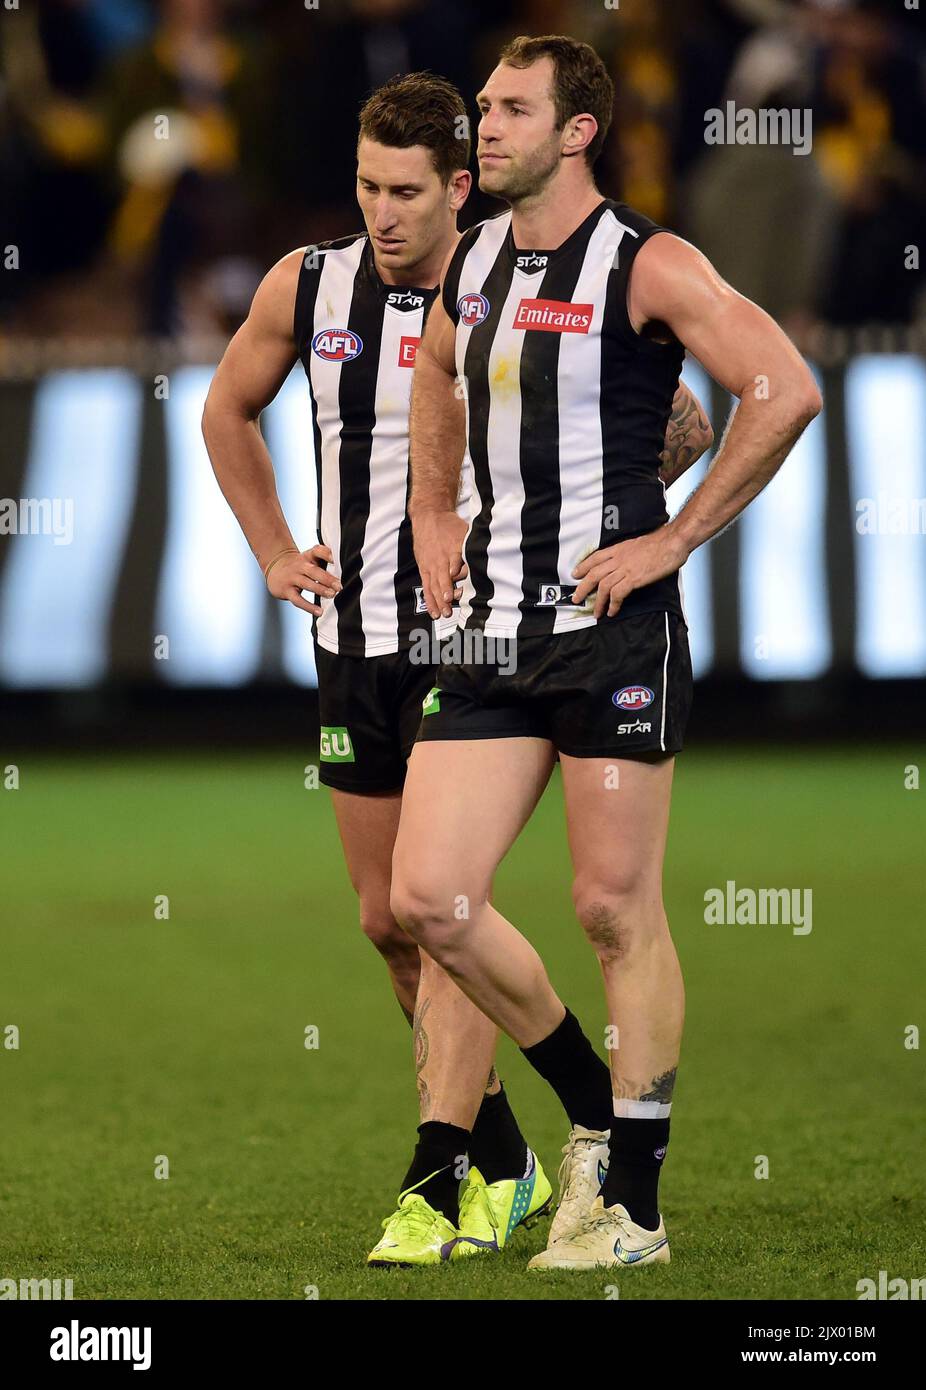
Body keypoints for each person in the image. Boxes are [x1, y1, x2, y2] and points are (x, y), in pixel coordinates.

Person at [391, 34, 821, 1271]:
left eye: (512, 110)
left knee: (609, 907)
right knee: (432, 899)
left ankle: (630, 1203)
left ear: (577, 131)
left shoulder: (649, 260)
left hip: (610, 627)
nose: (485, 127)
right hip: (489, 630)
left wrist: (671, 539)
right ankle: (591, 1106)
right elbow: (433, 374)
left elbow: (778, 387)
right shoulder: (468, 259)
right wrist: (430, 515)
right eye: (481, 107)